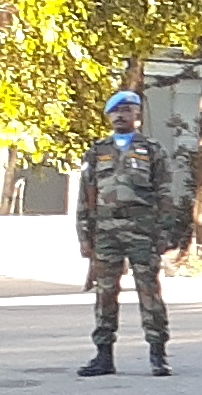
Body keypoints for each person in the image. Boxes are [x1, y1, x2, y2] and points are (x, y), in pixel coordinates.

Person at [73, 87, 179, 378]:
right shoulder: (97, 152)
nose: (121, 116)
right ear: (109, 116)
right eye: (115, 111)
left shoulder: (152, 150)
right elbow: (86, 196)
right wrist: (85, 235)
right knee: (105, 294)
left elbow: (165, 193)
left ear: (137, 115)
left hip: (142, 229)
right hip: (106, 231)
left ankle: (158, 353)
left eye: (127, 110)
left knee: (149, 292)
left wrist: (165, 233)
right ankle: (103, 355)